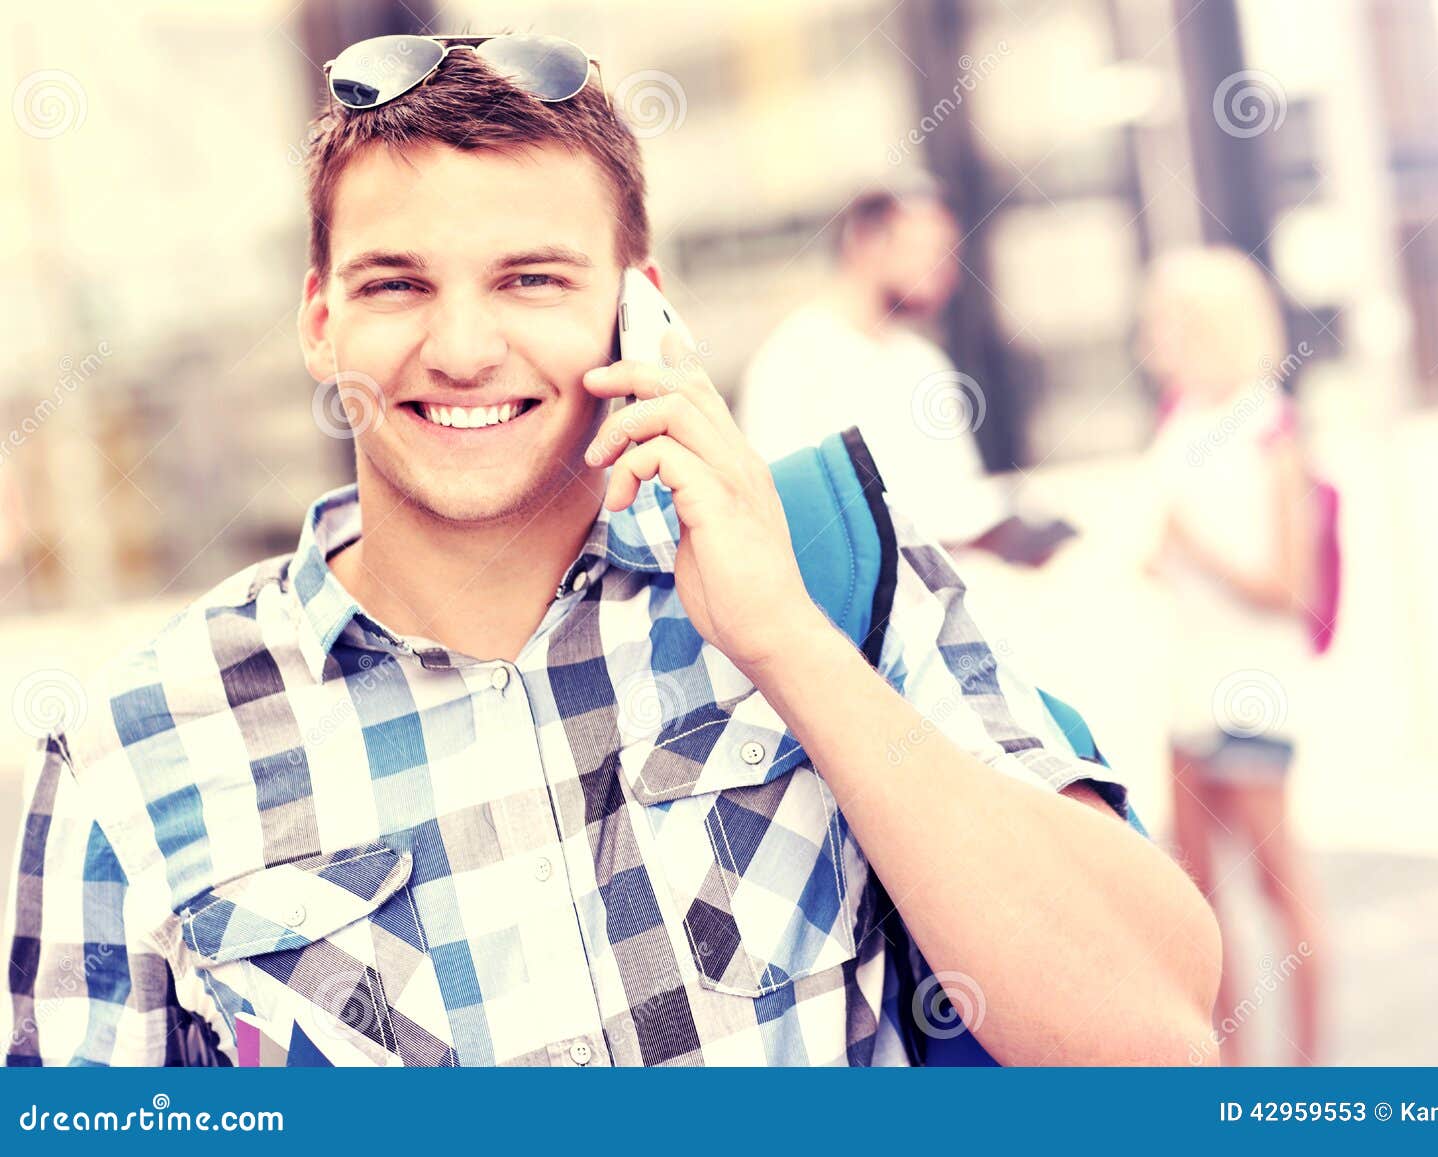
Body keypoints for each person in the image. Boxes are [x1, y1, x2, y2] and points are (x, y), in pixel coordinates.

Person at [1, 34, 1218, 1068]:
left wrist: (788, 645)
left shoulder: (832, 582)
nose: (463, 346)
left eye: (531, 277)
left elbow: (1153, 1043)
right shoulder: (128, 754)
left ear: (640, 308)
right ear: (322, 321)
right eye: (397, 284)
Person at [1139, 246, 1325, 1065]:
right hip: (1187, 690)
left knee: (1281, 891)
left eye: (1173, 317)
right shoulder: (1179, 418)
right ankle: (1230, 1084)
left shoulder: (1269, 427)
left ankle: (1309, 1082)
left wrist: (1190, 545)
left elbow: (1289, 583)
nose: (1157, 332)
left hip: (1253, 691)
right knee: (1196, 905)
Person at [739, 188, 1070, 566]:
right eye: (927, 253)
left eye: (948, 258)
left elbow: (959, 495)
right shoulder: (792, 362)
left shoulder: (922, 360)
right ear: (867, 242)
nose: (944, 274)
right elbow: (788, 515)